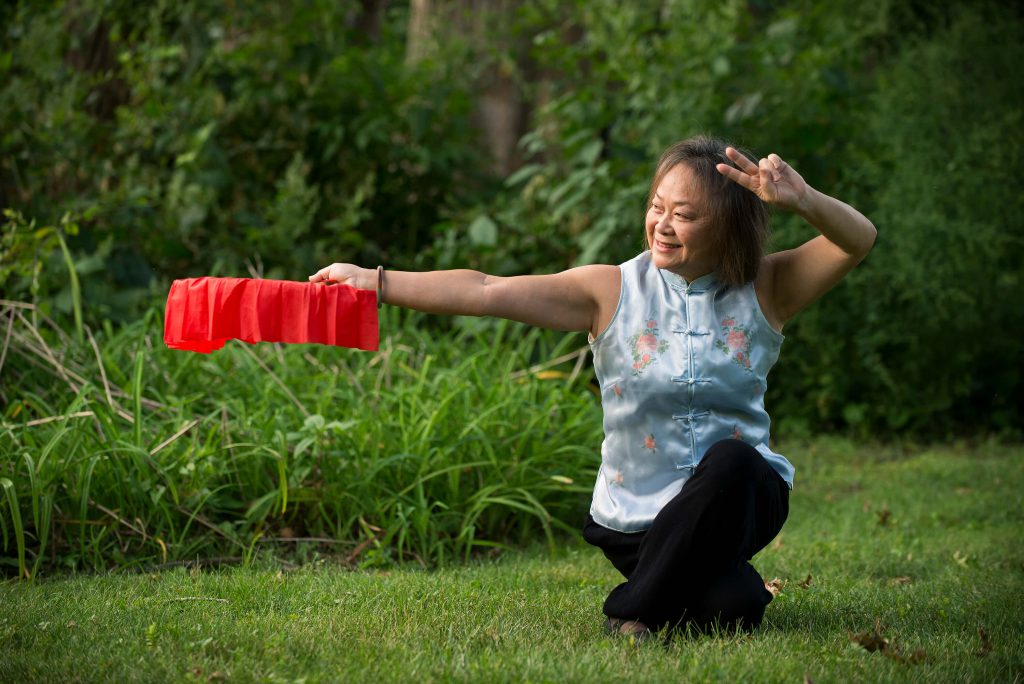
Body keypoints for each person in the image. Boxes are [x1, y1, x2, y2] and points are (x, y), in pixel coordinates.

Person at [309, 135, 876, 639]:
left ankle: (631, 612)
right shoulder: (610, 291)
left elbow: (857, 240)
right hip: (637, 521)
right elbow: (484, 290)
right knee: (737, 605)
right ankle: (678, 590)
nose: (662, 224)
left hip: (741, 503)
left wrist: (805, 200)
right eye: (656, 207)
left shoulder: (768, 286)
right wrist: (375, 281)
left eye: (684, 215)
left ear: (728, 224)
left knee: (736, 461)